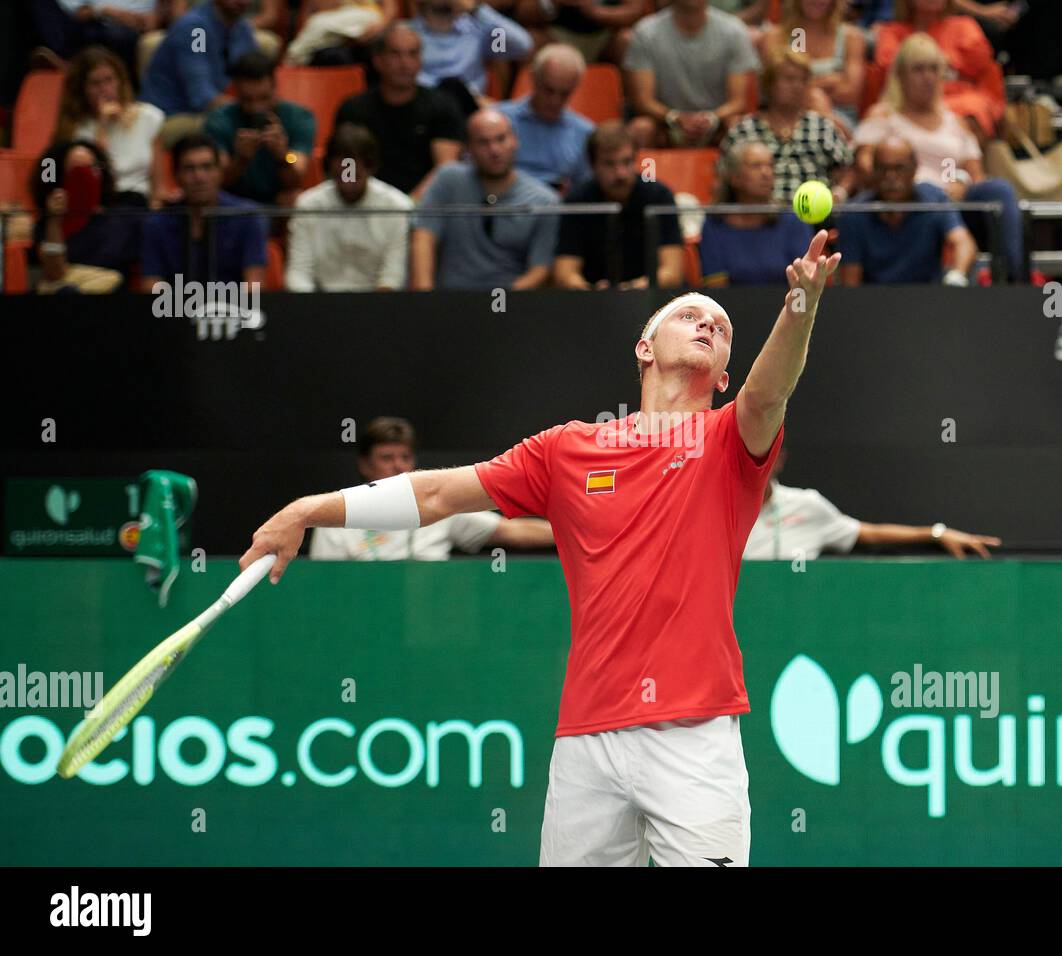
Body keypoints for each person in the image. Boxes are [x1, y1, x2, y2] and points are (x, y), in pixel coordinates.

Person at [239, 232, 842, 867]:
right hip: (587, 734)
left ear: (723, 375)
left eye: (719, 326)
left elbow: (769, 392)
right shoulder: (566, 450)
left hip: (695, 731)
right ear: (644, 347)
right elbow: (439, 494)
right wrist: (309, 509)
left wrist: (799, 306)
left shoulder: (728, 442)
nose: (709, 323)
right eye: (689, 314)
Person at [854, 33, 1023, 279]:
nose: (928, 77)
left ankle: (1013, 279)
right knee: (926, 190)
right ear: (900, 76)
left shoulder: (956, 123)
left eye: (934, 69)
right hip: (902, 208)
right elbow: (866, 170)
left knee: (999, 190)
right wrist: (907, 183)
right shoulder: (883, 117)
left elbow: (978, 178)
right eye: (919, 69)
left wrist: (962, 181)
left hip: (954, 209)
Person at [309, 417, 553, 559]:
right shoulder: (336, 517)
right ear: (365, 465)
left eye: (405, 457)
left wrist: (580, 531)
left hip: (429, 627)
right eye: (387, 458)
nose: (398, 467)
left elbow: (514, 532)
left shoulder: (441, 508)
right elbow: (326, 587)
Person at [744, 448, 1001, 558]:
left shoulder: (807, 506)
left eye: (770, 451)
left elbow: (871, 534)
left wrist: (936, 533)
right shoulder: (717, 505)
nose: (761, 460)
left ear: (781, 458)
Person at [409, 109, 560, 290]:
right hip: (450, 301)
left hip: (509, 302)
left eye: (501, 139)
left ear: (515, 140)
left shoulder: (545, 200)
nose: (494, 150)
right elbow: (423, 236)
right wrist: (425, 297)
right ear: (468, 148)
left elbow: (540, 270)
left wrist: (498, 304)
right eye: (483, 142)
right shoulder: (448, 178)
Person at [334, 21, 467, 197]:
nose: (405, 63)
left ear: (420, 60)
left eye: (412, 54)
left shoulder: (443, 105)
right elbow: (347, 165)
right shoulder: (353, 109)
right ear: (378, 60)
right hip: (366, 204)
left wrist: (408, 207)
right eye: (395, 54)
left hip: (424, 207)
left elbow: (445, 168)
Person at [554, 120, 684, 290]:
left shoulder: (659, 196)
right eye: (609, 164)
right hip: (594, 302)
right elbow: (564, 272)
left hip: (649, 299)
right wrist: (590, 291)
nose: (620, 173)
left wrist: (629, 289)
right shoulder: (577, 200)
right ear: (593, 165)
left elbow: (672, 273)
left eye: (627, 162)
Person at [285, 123, 413, 292]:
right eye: (341, 175)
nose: (348, 182)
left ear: (371, 167)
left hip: (377, 306)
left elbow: (393, 276)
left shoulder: (397, 207)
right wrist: (311, 309)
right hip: (319, 305)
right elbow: (298, 273)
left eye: (354, 174)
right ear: (329, 168)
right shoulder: (307, 205)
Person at [716, 48, 855, 204]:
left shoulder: (823, 127)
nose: (797, 86)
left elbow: (848, 169)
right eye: (789, 79)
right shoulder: (743, 130)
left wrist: (840, 192)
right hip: (759, 219)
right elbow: (724, 176)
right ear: (769, 83)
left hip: (814, 219)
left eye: (803, 80)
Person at [838, 135, 975, 285]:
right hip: (874, 302)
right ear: (874, 170)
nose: (890, 177)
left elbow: (963, 243)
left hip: (929, 300)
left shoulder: (934, 199)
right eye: (883, 169)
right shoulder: (855, 214)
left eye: (899, 168)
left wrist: (957, 275)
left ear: (915, 168)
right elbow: (850, 284)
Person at [624, 0, 760, 149]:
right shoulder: (646, 32)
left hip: (717, 125)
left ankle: (737, 172)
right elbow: (643, 101)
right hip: (665, 124)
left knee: (737, 126)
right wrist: (675, 117)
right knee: (641, 128)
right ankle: (643, 172)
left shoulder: (734, 30)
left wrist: (711, 118)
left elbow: (738, 102)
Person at [139, 132, 267, 287]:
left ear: (220, 172)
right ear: (176, 174)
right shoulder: (157, 223)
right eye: (189, 169)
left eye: (207, 167)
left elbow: (254, 284)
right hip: (173, 307)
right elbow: (152, 284)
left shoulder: (246, 215)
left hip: (234, 307)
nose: (199, 177)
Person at [872, 0, 1002, 142]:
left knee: (972, 110)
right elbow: (889, 67)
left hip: (960, 97)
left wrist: (922, 59)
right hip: (908, 102)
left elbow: (981, 62)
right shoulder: (891, 31)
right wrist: (946, 60)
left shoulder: (964, 25)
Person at [54, 45, 165, 207]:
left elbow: (158, 189)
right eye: (95, 83)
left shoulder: (149, 117)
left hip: (139, 204)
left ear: (120, 81)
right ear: (82, 89)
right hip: (98, 206)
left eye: (110, 79)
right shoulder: (74, 128)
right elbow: (95, 177)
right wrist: (102, 125)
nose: (105, 89)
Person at [203, 51, 316, 207]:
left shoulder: (300, 117)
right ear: (236, 92)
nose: (256, 108)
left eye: (264, 98)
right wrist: (240, 160)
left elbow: (297, 176)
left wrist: (283, 155)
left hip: (278, 200)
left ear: (275, 87)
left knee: (295, 198)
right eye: (247, 99)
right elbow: (218, 181)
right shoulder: (219, 121)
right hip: (232, 202)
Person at [28, 139, 142, 293]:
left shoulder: (127, 207)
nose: (87, 175)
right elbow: (55, 273)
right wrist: (55, 221)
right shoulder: (48, 222)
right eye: (77, 170)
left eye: (92, 167)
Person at [140, 0, 258, 147]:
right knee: (236, 129)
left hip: (208, 108)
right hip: (173, 115)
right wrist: (251, 108)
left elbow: (254, 75)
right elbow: (202, 96)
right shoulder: (196, 32)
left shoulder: (241, 27)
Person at [699, 140, 812, 286]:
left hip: (787, 306)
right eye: (755, 166)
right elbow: (716, 289)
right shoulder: (714, 224)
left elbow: (803, 285)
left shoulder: (792, 221)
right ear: (735, 177)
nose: (766, 173)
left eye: (770, 166)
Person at [758, 0, 866, 135]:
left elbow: (850, 93)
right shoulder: (774, 36)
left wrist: (795, 85)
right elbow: (772, 87)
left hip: (839, 115)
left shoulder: (851, 37)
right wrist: (825, 84)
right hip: (785, 113)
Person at [496, 44, 593, 193]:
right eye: (548, 90)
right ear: (533, 78)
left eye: (564, 94)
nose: (555, 101)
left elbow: (586, 191)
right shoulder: (497, 120)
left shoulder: (584, 133)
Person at [409, 0, 533, 98]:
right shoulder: (406, 34)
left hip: (468, 110)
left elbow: (522, 46)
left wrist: (476, 9)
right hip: (423, 109)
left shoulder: (477, 32)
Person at [20, 0, 155, 73]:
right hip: (97, 20)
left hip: (137, 25)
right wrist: (107, 11)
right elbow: (79, 11)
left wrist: (156, 19)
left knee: (120, 35)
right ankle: (62, 61)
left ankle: (74, 69)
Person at [513, 0, 641, 66]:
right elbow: (523, 13)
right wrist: (553, 2)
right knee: (527, 41)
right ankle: (530, 109)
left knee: (628, 40)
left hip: (605, 37)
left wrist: (596, 13)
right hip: (556, 36)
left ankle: (629, 107)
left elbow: (635, 11)